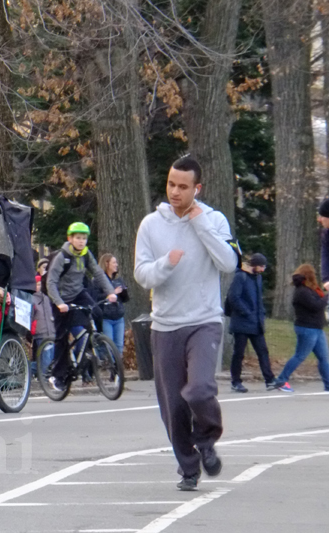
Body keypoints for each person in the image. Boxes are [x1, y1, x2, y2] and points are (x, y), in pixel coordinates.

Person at [134, 155, 238, 491]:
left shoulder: (214, 220)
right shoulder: (151, 225)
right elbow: (142, 274)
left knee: (200, 389)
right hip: (165, 325)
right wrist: (166, 264)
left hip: (204, 321)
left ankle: (206, 440)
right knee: (174, 407)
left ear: (197, 188)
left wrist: (200, 224)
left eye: (183, 186)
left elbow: (228, 263)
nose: (175, 192)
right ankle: (189, 467)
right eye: (171, 184)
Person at [46, 222, 117, 389]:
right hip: (60, 298)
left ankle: (94, 341)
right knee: (62, 337)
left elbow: (98, 273)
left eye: (84, 238)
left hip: (78, 294)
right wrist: (59, 303)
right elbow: (51, 282)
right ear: (70, 239)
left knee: (97, 311)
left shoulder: (86, 254)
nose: (81, 241)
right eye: (78, 238)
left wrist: (110, 291)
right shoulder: (62, 257)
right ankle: (57, 376)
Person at [271, 264, 329, 393]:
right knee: (300, 355)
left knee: (324, 357)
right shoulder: (302, 291)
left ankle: (328, 384)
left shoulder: (310, 290)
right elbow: (315, 306)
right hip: (307, 328)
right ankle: (281, 379)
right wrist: (327, 297)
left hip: (316, 327)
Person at [227, 253, 276, 393]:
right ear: (254, 265)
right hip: (242, 322)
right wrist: (246, 311)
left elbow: (258, 299)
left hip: (255, 322)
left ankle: (270, 380)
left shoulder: (257, 278)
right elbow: (233, 297)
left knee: (263, 351)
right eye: (261, 266)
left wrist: (261, 314)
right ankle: (236, 381)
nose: (262, 270)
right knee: (239, 353)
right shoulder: (240, 276)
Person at [98, 254, 129, 355]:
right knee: (109, 346)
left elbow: (125, 299)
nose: (116, 265)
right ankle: (109, 366)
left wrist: (124, 291)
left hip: (119, 317)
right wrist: (112, 293)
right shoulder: (98, 281)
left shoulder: (118, 280)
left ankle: (117, 368)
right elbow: (96, 298)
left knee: (119, 345)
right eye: (114, 262)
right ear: (107, 264)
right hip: (106, 318)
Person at [318, 198, 329, 291]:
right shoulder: (326, 233)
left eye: (322, 216)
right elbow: (325, 254)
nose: (320, 219)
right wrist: (326, 279)